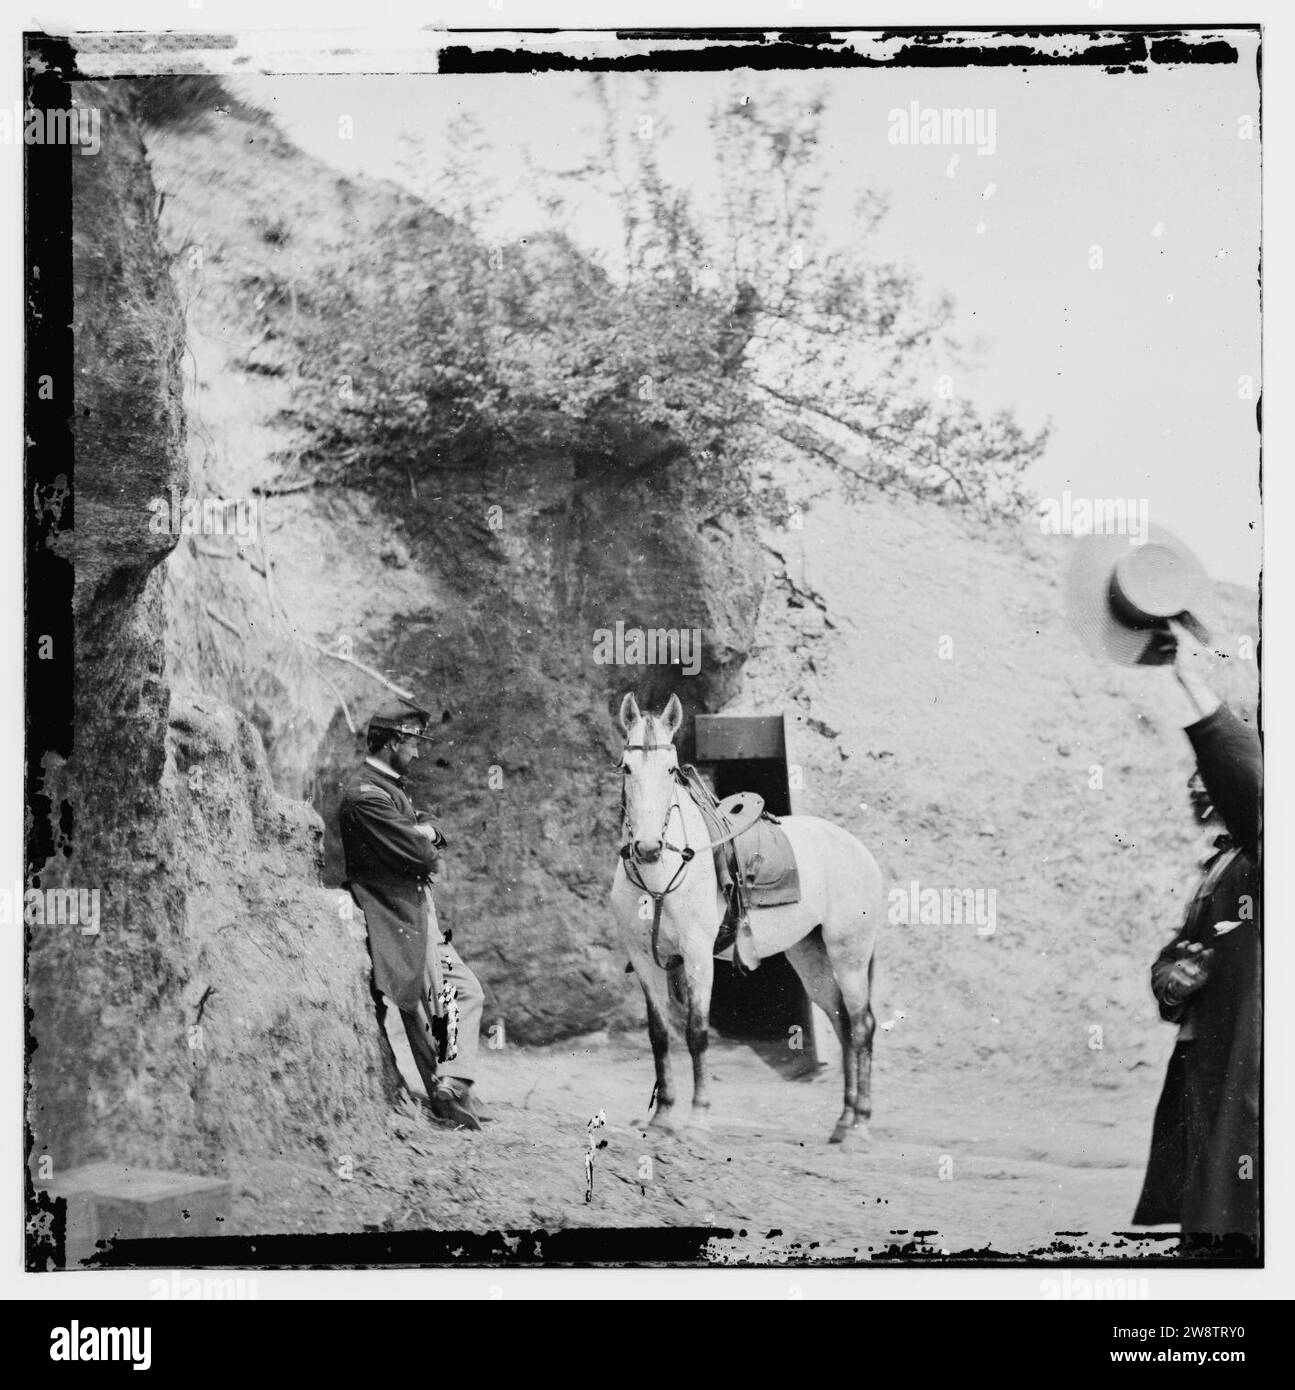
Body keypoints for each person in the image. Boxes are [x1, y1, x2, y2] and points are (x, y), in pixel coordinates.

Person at [1131, 620, 1261, 1252]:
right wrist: (1171, 982)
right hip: (1207, 1073)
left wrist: (1190, 680)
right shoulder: (1222, 864)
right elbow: (1184, 952)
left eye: (1206, 772)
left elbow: (1253, 785)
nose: (1197, 783)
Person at [338, 702, 489, 1131]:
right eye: (411, 744)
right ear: (389, 742)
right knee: (429, 1012)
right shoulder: (365, 795)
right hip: (393, 914)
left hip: (416, 910)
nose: (418, 754)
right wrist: (425, 839)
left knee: (463, 992)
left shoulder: (388, 788)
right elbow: (421, 854)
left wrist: (427, 832)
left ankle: (452, 1083)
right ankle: (449, 1099)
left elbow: (428, 827)